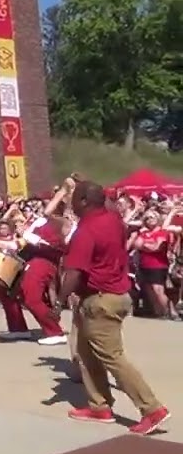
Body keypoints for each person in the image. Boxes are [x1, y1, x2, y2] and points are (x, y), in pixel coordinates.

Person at [59, 181, 170, 434]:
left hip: (101, 300)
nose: (72, 203)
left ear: (85, 202)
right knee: (85, 353)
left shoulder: (86, 231)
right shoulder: (113, 219)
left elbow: (74, 272)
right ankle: (100, 406)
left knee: (113, 357)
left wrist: (58, 301)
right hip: (114, 295)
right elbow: (106, 203)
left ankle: (152, 409)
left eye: (75, 198)